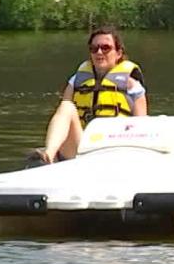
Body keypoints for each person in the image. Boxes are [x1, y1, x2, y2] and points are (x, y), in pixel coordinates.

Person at [38, 26, 147, 163]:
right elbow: (63, 115)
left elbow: (141, 129)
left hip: (115, 152)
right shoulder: (76, 81)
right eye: (94, 49)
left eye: (105, 48)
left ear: (118, 53)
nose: (99, 52)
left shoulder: (133, 87)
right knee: (66, 106)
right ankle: (49, 155)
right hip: (81, 148)